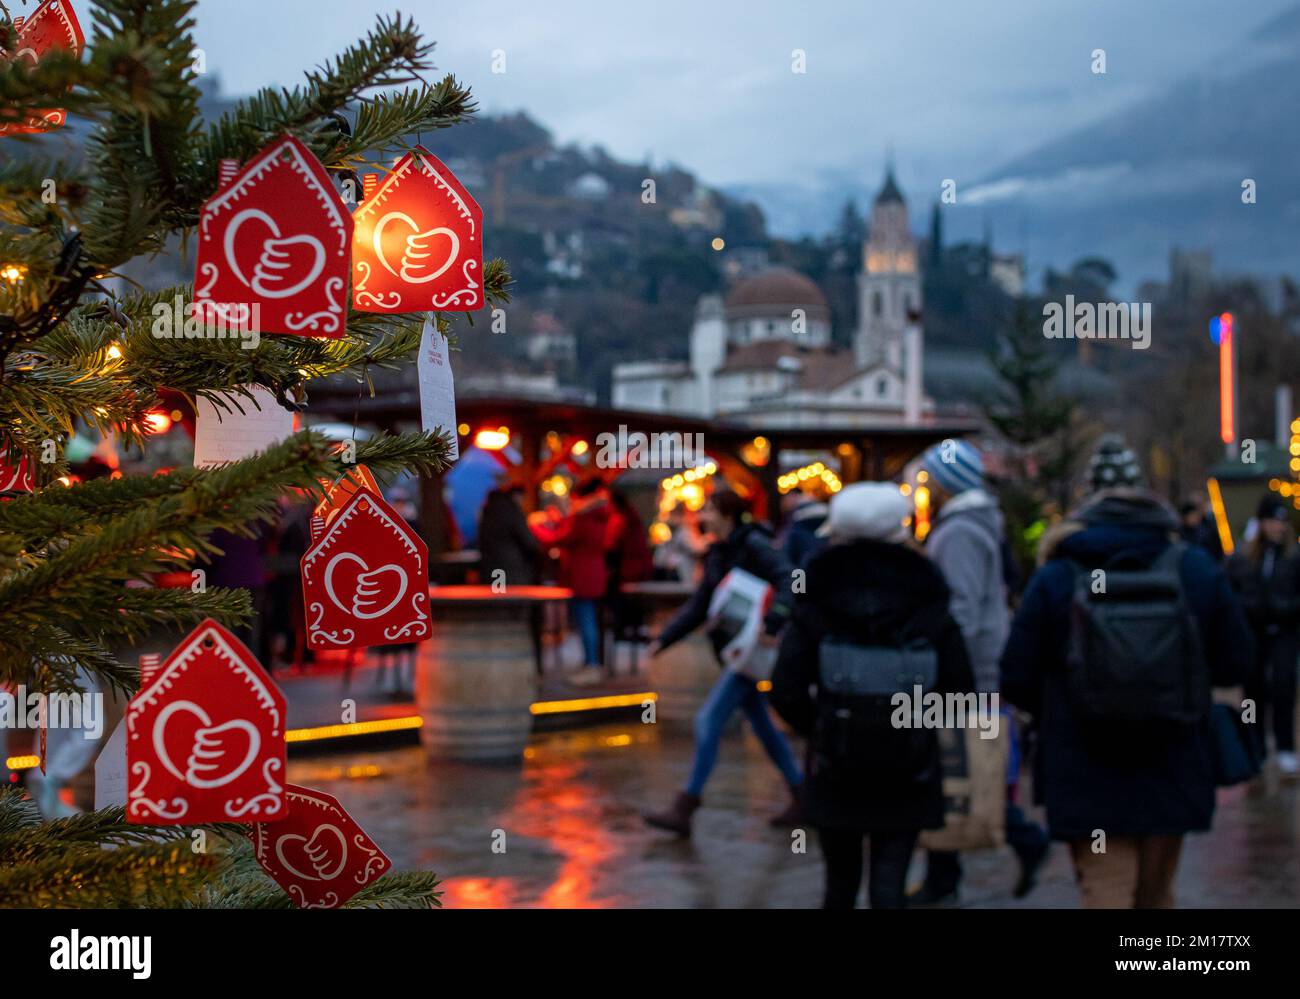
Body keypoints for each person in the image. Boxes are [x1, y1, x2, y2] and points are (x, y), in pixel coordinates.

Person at [1001, 435, 1254, 908]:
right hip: (1174, 759)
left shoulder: (1057, 575)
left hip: (1085, 764)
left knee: (1106, 888)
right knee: (1155, 895)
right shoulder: (1192, 567)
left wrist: (1059, 709)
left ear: (1087, 501)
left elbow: (1016, 674)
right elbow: (1236, 660)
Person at [769, 482, 976, 908]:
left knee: (838, 885)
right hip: (909, 765)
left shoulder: (816, 592)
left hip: (836, 763)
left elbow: (786, 688)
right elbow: (960, 688)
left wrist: (822, 726)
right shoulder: (928, 593)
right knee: (890, 885)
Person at [908, 439, 1048, 904]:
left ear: (949, 484)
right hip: (977, 666)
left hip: (967, 670)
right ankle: (943, 878)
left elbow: (960, 610)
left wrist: (937, 664)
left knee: (961, 772)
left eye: (931, 478)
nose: (925, 487)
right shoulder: (972, 524)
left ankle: (1022, 842)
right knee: (957, 772)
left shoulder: (959, 532)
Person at [642, 489, 803, 835]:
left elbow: (791, 579)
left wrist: (773, 622)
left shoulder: (754, 546)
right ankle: (802, 793)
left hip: (749, 651)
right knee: (763, 726)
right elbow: (700, 604)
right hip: (738, 651)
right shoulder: (718, 552)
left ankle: (686, 805)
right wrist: (665, 639)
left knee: (708, 720)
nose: (702, 516)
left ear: (727, 515)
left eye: (709, 510)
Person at [1226, 494, 1299, 778]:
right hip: (1254, 633)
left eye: (1281, 522)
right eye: (1272, 521)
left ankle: (1284, 746)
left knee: (1283, 685)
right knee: (1252, 691)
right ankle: (1255, 746)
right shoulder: (1245, 557)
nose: (1277, 527)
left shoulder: (1292, 557)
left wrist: (1287, 610)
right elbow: (1232, 589)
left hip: (1284, 632)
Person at [533, 478, 612, 687]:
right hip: (593, 573)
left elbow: (561, 538)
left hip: (581, 575)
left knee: (586, 620)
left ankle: (592, 665)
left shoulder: (583, 517)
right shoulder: (599, 515)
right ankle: (592, 663)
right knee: (589, 620)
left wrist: (536, 527)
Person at [478, 480, 542, 587]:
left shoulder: (488, 511)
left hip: (491, 568)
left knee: (497, 598)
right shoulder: (512, 511)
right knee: (511, 600)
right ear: (517, 496)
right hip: (512, 569)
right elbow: (529, 542)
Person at [776, 485, 829, 568]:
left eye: (786, 498)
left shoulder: (798, 517)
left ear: (793, 496)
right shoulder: (816, 514)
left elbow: (786, 550)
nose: (783, 502)